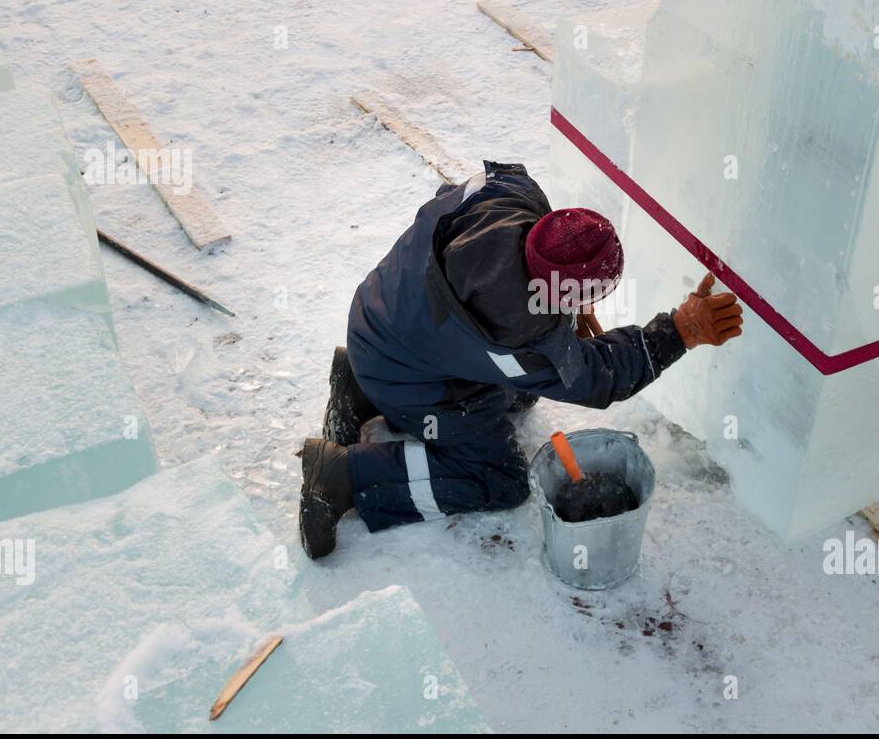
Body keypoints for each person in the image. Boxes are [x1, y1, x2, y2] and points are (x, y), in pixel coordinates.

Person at [298, 161, 743, 558]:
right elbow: (598, 380)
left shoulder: (510, 191)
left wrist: (565, 304)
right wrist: (680, 332)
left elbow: (446, 202)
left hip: (377, 317)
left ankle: (360, 382)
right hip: (401, 369)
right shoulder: (521, 335)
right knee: (498, 478)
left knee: (517, 399)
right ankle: (344, 474)